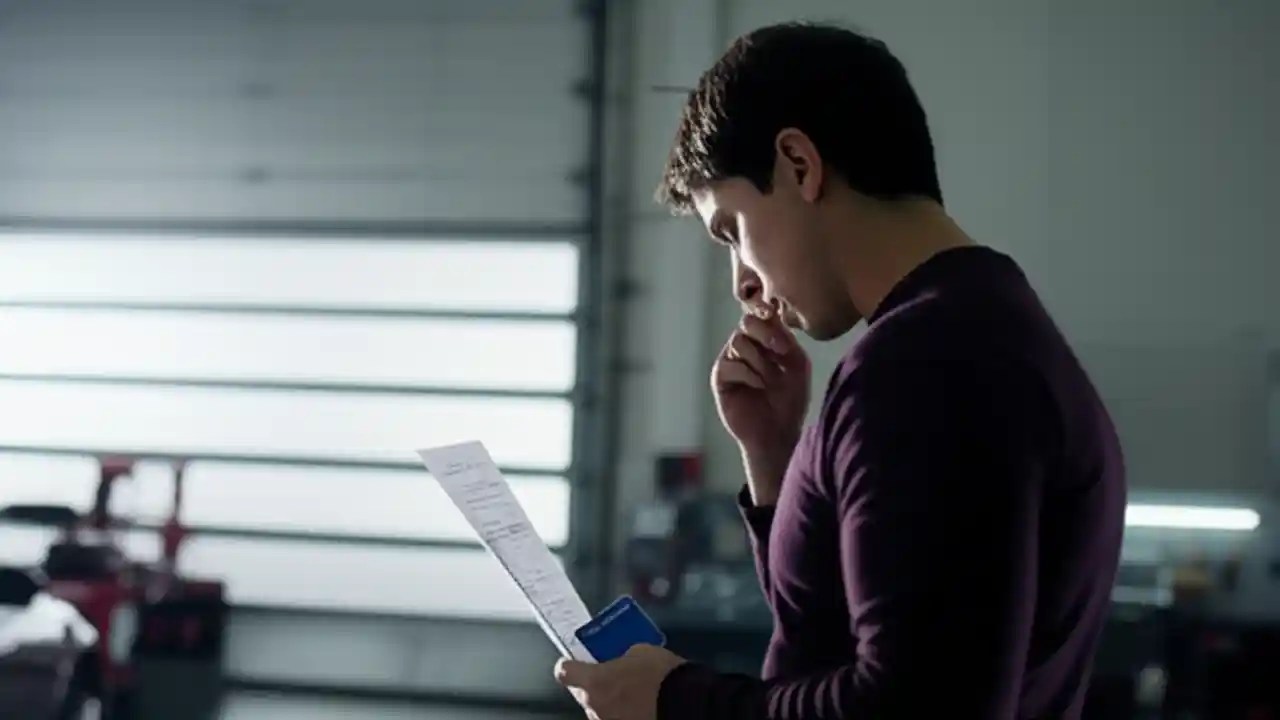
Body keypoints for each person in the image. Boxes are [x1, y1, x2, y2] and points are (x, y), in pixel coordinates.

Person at [555, 22, 1125, 720]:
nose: (742, 281)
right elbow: (839, 639)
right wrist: (775, 460)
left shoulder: (926, 364)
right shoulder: (976, 327)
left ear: (799, 164)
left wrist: (675, 700)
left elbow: (911, 705)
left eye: (732, 230)